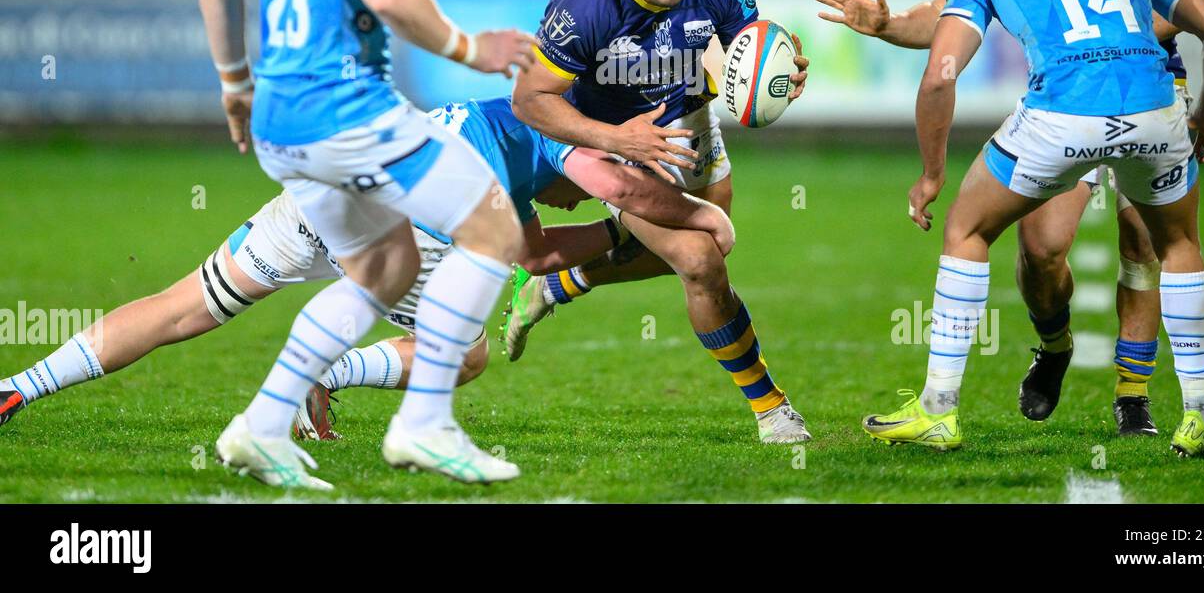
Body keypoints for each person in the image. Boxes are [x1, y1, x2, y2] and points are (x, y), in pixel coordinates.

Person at [198, 0, 534, 489]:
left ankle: (263, 424)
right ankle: (424, 423)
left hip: (280, 120)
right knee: (492, 226)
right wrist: (468, 49)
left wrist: (234, 85)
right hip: (344, 108)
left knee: (387, 266)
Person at [817, 0, 1204, 436]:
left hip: (1149, 87)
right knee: (1043, 245)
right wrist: (882, 23)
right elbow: (943, 21)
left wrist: (1120, 43)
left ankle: (1133, 398)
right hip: (1067, 98)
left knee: (1145, 240)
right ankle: (1054, 346)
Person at [0, 98, 733, 446]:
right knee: (468, 354)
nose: (580, 185)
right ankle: (328, 373)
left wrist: (604, 234)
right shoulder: (559, 141)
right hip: (399, 229)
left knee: (181, 307)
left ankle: (16, 388)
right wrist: (699, 219)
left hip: (328, 191)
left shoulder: (501, 121)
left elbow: (536, 250)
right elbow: (621, 192)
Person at [510, 0, 813, 443]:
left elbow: (757, 48)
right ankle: (771, 408)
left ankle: (558, 282)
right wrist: (615, 140)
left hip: (688, 120)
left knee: (718, 237)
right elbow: (529, 100)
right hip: (609, 138)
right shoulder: (584, 8)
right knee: (699, 259)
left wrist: (784, 71)